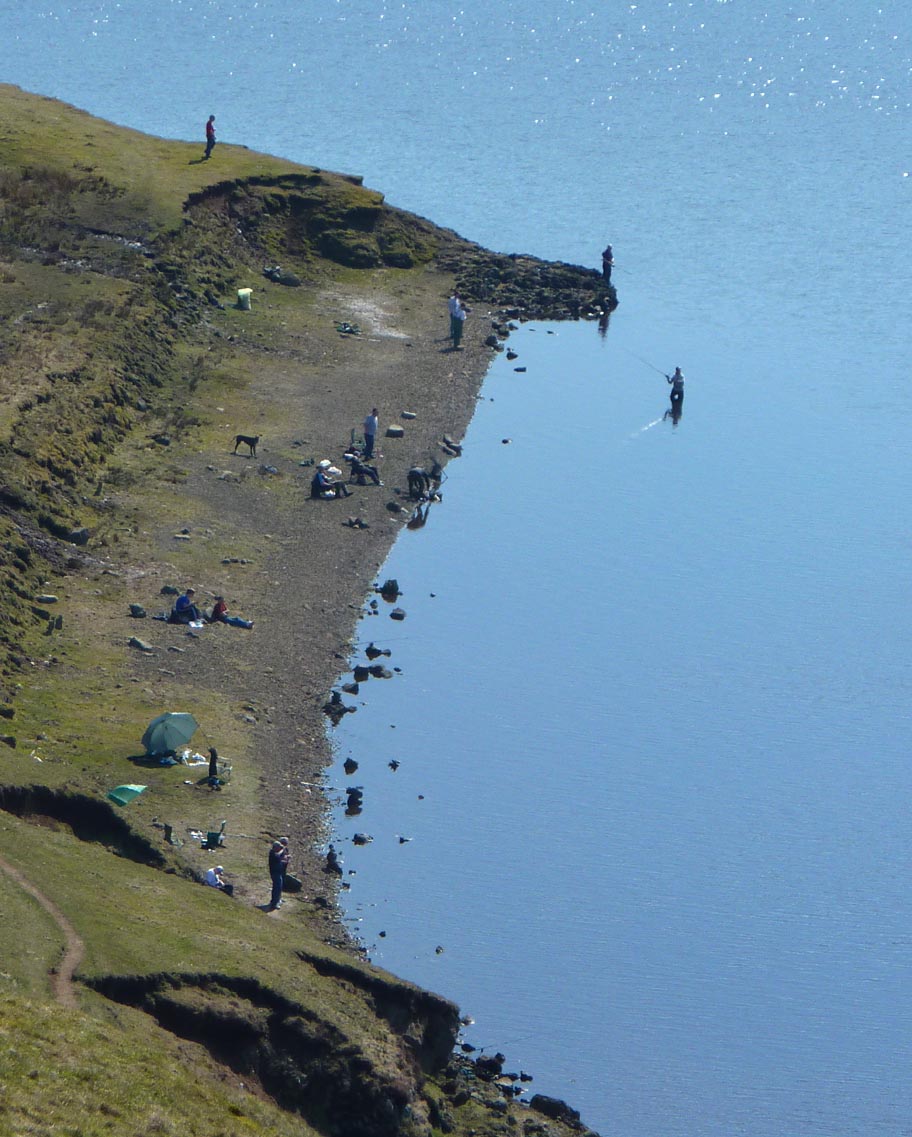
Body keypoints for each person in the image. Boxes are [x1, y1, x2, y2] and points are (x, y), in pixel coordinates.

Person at [268, 838, 288, 910]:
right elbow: (278, 858)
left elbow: (279, 860)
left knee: (278, 888)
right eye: (278, 847)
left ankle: (276, 901)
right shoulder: (273, 854)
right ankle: (274, 903)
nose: (280, 849)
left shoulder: (275, 854)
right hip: (275, 873)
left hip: (278, 873)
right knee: (277, 888)